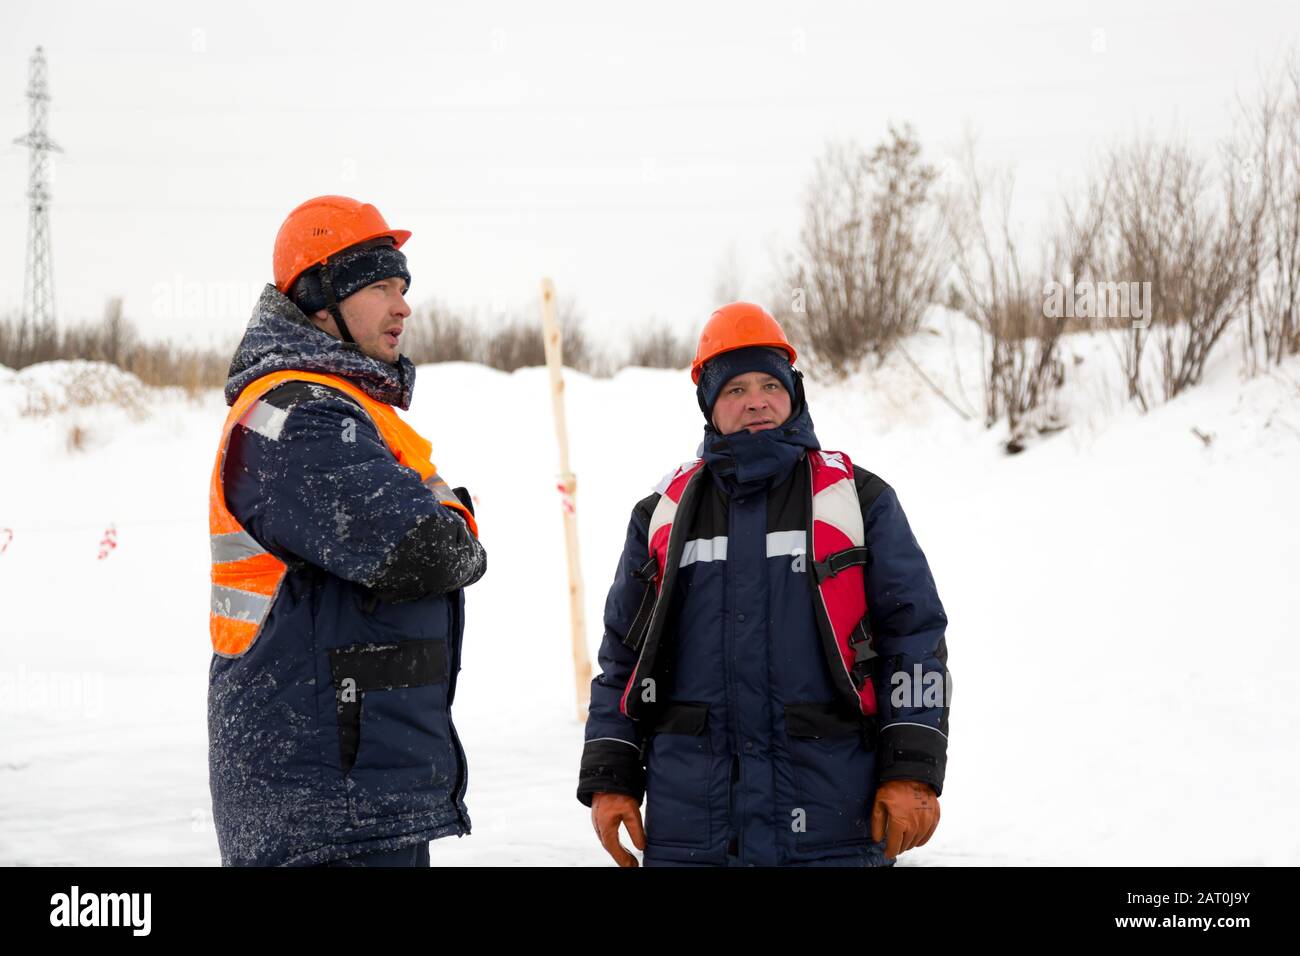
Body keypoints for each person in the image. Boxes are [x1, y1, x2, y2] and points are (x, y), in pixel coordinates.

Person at [577, 302, 950, 867]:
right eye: (734, 390)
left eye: (770, 384)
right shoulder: (660, 514)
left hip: (833, 826)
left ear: (793, 392)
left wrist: (912, 769)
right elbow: (623, 659)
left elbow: (914, 638)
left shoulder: (857, 499)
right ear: (708, 403)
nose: (755, 401)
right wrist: (611, 774)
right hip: (692, 834)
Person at [207, 195, 486, 866]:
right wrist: (456, 514)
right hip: (321, 803)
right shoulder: (298, 419)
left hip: (348, 788)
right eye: (381, 286)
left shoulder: (340, 408)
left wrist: (442, 512)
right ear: (318, 296)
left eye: (404, 287)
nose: (403, 306)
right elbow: (429, 549)